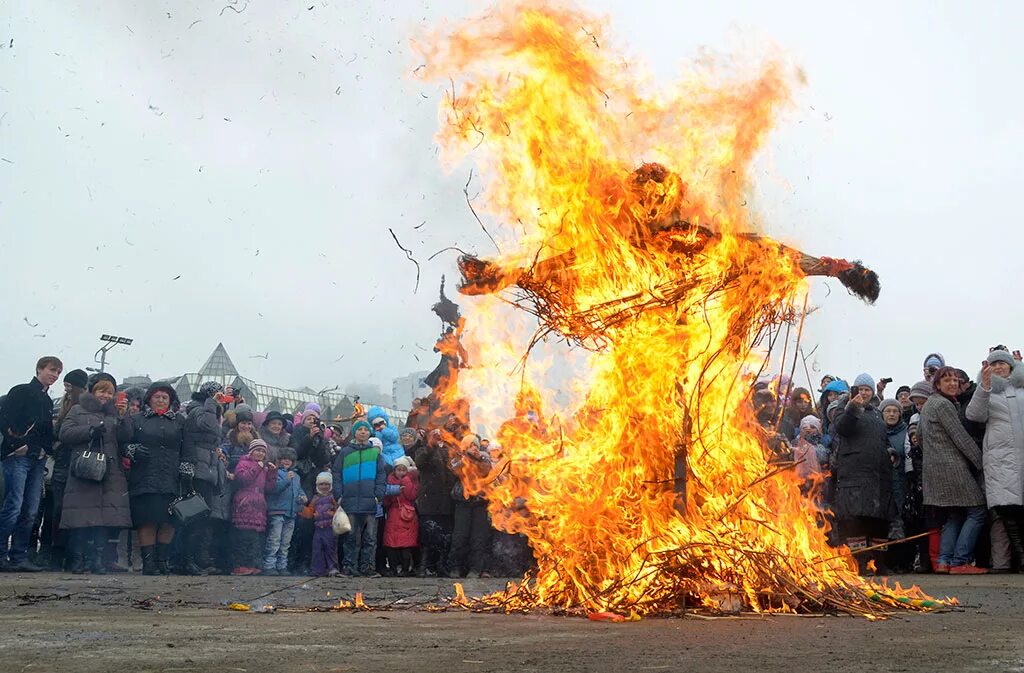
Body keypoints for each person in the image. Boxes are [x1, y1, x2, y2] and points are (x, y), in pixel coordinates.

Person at [57, 375, 132, 574]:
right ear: (92, 391)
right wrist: (89, 431)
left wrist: (123, 418)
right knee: (81, 518)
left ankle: (97, 560)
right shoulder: (77, 410)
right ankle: (77, 560)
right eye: (102, 391)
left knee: (104, 520)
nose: (105, 396)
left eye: (109, 392)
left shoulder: (115, 413)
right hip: (85, 471)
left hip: (110, 472)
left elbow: (126, 437)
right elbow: (64, 433)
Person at [919, 366, 986, 574]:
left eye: (956, 381)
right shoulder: (943, 405)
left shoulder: (929, 404)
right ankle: (960, 561)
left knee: (954, 515)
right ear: (937, 384)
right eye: (947, 380)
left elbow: (919, 438)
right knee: (978, 511)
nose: (953, 384)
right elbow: (961, 438)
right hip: (952, 468)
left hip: (934, 469)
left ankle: (943, 561)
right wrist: (981, 462)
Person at [120, 382, 191, 575]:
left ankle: (162, 560)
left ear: (170, 401)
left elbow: (187, 446)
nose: (160, 400)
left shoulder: (179, 421)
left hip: (172, 476)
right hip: (144, 475)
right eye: (157, 396)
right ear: (149, 399)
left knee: (169, 520)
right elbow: (123, 442)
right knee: (148, 519)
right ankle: (149, 563)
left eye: (164, 397)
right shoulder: (137, 420)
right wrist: (132, 450)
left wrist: (187, 466)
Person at [0, 356, 63, 571]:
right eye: (52, 370)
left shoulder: (46, 400)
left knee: (30, 510)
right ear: (39, 369)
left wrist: (50, 449)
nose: (54, 375)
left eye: (58, 372)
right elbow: (4, 419)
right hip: (17, 457)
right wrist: (14, 444)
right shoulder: (21, 391)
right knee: (14, 507)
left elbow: (45, 431)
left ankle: (18, 556)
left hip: (37, 459)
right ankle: (1, 555)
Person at [966, 349, 1024, 571]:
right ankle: (1020, 558)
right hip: (1001, 458)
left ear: (1011, 365)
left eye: (1003, 363)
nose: (999, 367)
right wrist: (984, 388)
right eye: (994, 364)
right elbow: (974, 415)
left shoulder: (1021, 388)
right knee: (1008, 509)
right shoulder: (986, 391)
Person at [831, 373, 894, 575]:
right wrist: (853, 407)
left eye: (867, 389)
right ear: (853, 391)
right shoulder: (845, 408)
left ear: (872, 393)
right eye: (860, 389)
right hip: (854, 477)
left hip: (879, 478)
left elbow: (884, 440)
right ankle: (860, 564)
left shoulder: (877, 413)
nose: (863, 393)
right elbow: (842, 428)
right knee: (856, 522)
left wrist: (890, 453)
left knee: (879, 523)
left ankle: (880, 563)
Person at [181, 381, 228, 576]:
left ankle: (198, 559)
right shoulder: (198, 409)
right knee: (194, 517)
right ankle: (187, 560)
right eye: (218, 394)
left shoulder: (209, 409)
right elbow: (207, 425)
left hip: (208, 468)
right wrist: (212, 403)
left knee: (204, 517)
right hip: (197, 468)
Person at [43, 367, 87, 570]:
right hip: (63, 463)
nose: (66, 389)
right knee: (58, 510)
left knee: (66, 510)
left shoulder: (80, 407)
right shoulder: (64, 404)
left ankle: (66, 554)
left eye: (70, 386)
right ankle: (57, 553)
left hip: (74, 463)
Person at [332, 419, 386, 577]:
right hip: (349, 501)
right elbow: (337, 473)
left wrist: (378, 495)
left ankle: (367, 567)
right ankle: (349, 566)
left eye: (365, 429)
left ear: (369, 433)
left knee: (370, 538)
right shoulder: (345, 452)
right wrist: (339, 494)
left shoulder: (375, 454)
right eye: (359, 429)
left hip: (370, 502)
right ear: (354, 432)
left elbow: (381, 476)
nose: (363, 432)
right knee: (351, 537)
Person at [288, 408, 332, 574]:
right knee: (300, 524)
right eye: (309, 418)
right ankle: (294, 562)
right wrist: (309, 438)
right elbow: (296, 453)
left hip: (316, 482)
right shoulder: (297, 434)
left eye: (315, 419)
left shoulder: (321, 437)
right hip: (302, 481)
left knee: (313, 527)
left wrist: (319, 440)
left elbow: (324, 459)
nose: (312, 421)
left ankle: (308, 562)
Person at [448, 434, 494, 578]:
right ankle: (455, 568)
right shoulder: (457, 457)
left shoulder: (483, 458)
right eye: (469, 445)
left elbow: (486, 471)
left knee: (478, 538)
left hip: (480, 503)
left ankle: (475, 569)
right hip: (463, 503)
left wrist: (477, 458)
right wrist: (466, 458)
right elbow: (454, 470)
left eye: (474, 444)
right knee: (459, 537)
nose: (473, 447)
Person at [229, 439, 276, 575]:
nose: (260, 453)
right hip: (245, 501)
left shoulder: (264, 468)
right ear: (251, 451)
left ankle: (251, 565)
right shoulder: (243, 463)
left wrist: (272, 474)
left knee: (255, 537)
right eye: (258, 450)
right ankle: (239, 565)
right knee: (243, 536)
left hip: (259, 504)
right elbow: (242, 479)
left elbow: (269, 488)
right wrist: (258, 467)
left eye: (263, 451)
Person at [414, 428, 455, 576]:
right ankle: (423, 566)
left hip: (445, 501)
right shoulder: (422, 450)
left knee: (444, 536)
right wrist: (431, 446)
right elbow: (420, 462)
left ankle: (440, 565)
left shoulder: (448, 452)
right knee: (427, 536)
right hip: (428, 500)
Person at [264, 447, 306, 575]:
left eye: (290, 459)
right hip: (277, 511)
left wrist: (303, 496)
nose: (287, 461)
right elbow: (274, 489)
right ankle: (269, 565)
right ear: (279, 460)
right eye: (284, 459)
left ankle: (282, 566)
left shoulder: (297, 476)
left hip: (291, 513)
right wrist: (286, 480)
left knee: (285, 542)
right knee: (274, 539)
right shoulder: (275, 472)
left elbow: (298, 490)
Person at [383, 455, 419, 576]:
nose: (401, 472)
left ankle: (405, 569)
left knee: (406, 545)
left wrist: (406, 482)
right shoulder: (389, 481)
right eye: (399, 470)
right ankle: (393, 568)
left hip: (407, 516)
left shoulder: (411, 481)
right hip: (393, 514)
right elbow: (386, 501)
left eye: (404, 470)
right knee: (391, 544)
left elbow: (411, 496)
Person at [305, 471, 339, 577]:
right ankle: (317, 569)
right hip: (318, 528)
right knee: (317, 549)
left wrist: (332, 514)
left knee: (330, 548)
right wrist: (303, 510)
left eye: (326, 484)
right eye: (321, 484)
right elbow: (309, 511)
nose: (324, 486)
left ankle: (332, 568)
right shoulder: (315, 498)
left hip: (329, 527)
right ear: (317, 485)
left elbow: (339, 511)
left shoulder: (333, 497)